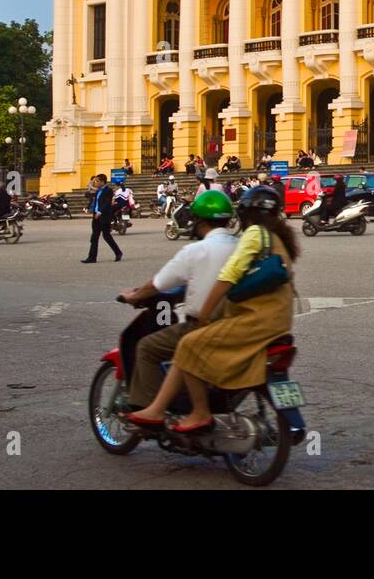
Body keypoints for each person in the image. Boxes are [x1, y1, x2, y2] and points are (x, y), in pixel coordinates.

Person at [124, 185, 300, 432]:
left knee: (188, 344)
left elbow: (227, 277)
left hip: (253, 322)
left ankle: (196, 412)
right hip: (279, 322)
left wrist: (204, 315)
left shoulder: (253, 235)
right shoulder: (279, 239)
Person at [118, 190, 240, 409]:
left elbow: (157, 285)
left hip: (205, 327)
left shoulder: (196, 250)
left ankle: (150, 410)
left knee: (146, 347)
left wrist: (133, 296)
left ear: (199, 220)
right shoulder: (241, 247)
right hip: (238, 326)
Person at [81, 174, 123, 264]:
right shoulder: (98, 191)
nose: (95, 183)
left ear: (102, 182)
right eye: (95, 181)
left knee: (106, 236)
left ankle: (118, 252)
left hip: (104, 217)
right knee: (94, 237)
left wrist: (100, 212)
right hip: (96, 217)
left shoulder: (108, 190)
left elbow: (107, 203)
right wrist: (92, 210)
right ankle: (92, 257)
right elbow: (96, 203)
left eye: (97, 181)